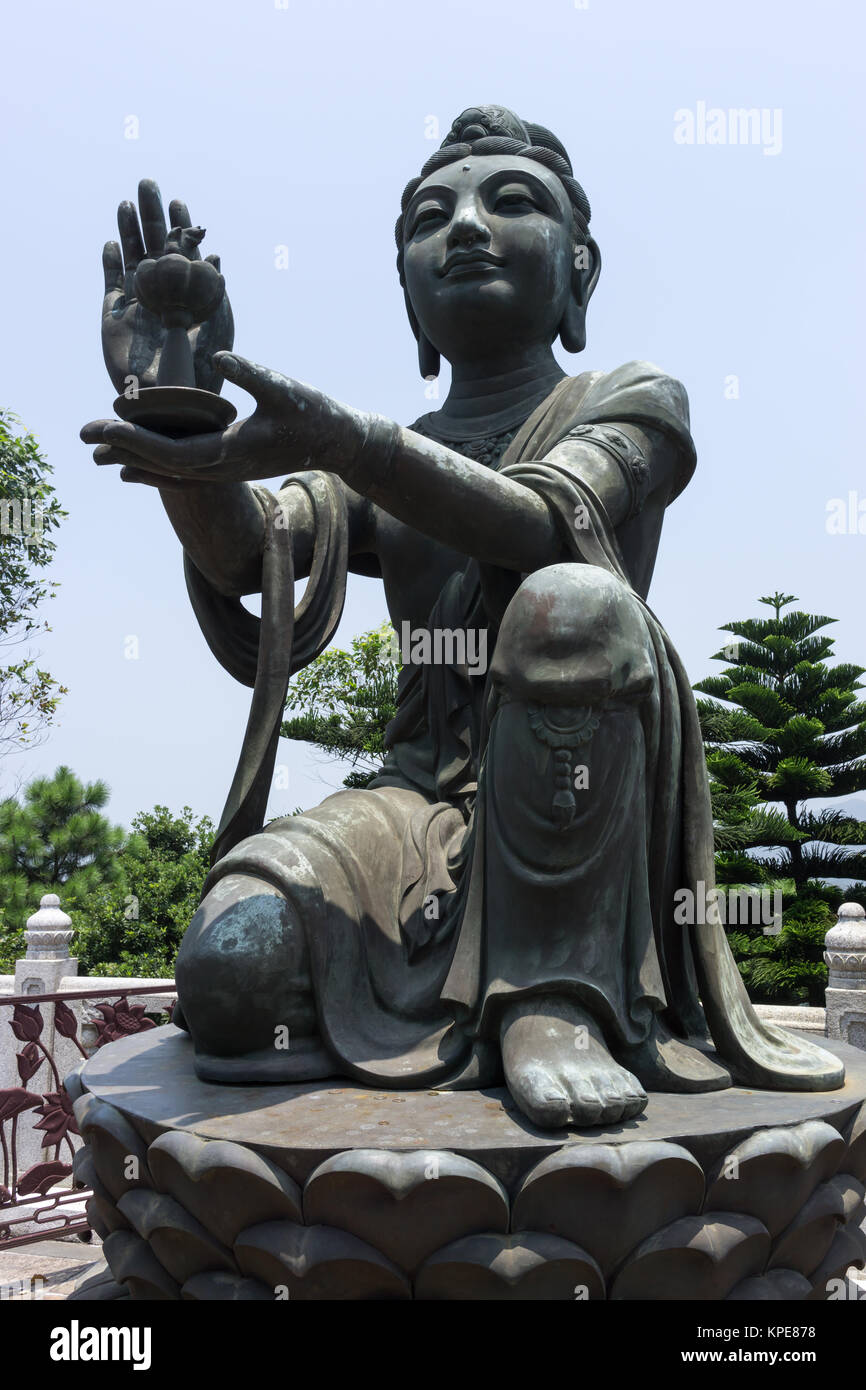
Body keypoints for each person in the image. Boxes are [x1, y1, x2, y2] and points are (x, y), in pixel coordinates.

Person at [83, 105, 843, 1129]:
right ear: (408, 297)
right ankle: (395, 1038)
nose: (469, 226)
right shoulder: (393, 452)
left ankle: (553, 998)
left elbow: (539, 522)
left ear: (579, 270)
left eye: (511, 202)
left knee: (567, 601)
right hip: (413, 802)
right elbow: (242, 548)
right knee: (232, 969)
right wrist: (173, 397)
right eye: (431, 216)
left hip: (576, 793)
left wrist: (350, 443)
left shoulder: (630, 397)